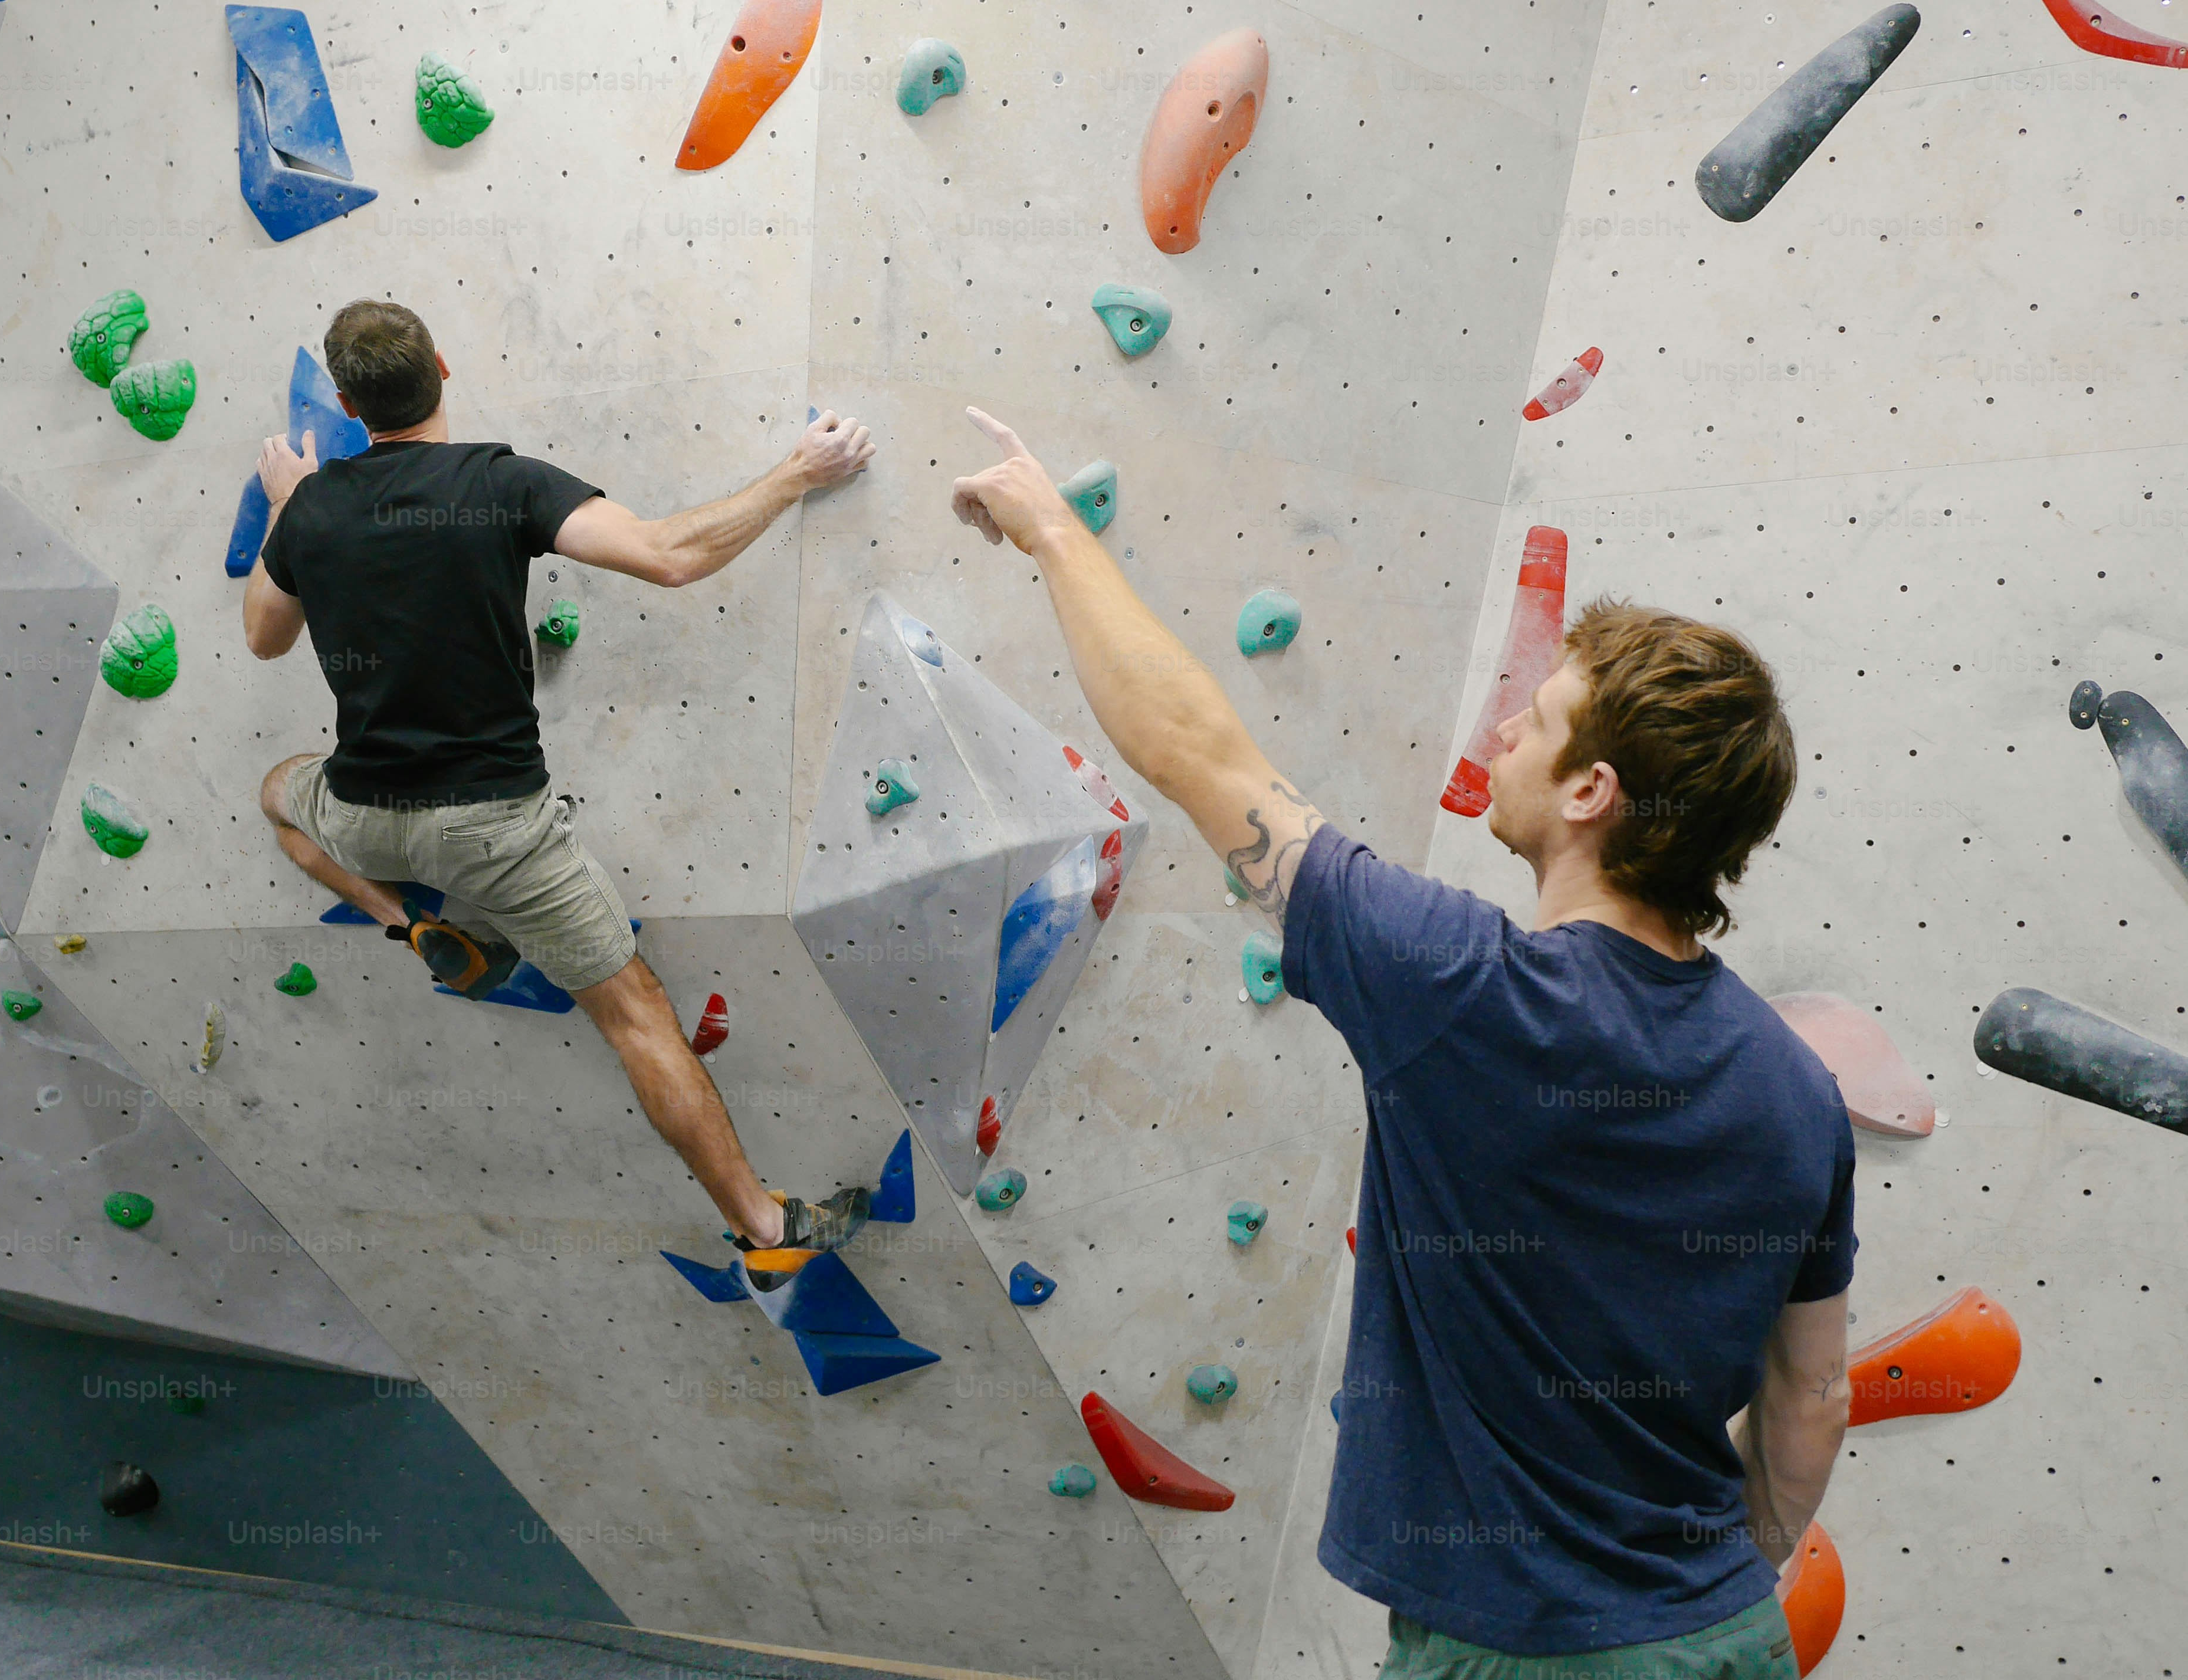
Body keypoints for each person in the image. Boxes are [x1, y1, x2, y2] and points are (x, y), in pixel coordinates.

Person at [951, 409, 1853, 1680]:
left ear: (1593, 793)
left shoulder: (1458, 989)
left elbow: (1195, 751)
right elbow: (1811, 1395)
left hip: (1514, 1652)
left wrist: (1049, 528)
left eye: (1534, 722)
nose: (1502, 736)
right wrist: (1728, 1580)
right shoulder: (1797, 1088)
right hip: (1721, 1636)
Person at [243, 298, 878, 1262]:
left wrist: (292, 507)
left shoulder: (315, 509)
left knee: (279, 793)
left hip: (365, 817)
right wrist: (799, 472)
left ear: (345, 403)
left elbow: (263, 636)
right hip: (498, 832)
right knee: (636, 1016)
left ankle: (418, 927)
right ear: (443, 368)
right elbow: (670, 557)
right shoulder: (502, 485)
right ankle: (765, 1224)